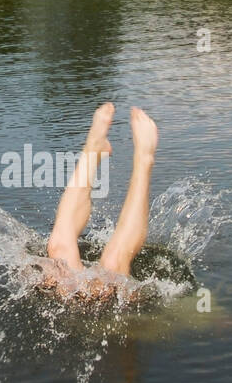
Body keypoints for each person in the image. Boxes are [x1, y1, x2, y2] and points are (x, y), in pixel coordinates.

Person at [40, 103, 158, 301]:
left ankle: (92, 150)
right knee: (114, 266)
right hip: (103, 316)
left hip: (76, 311)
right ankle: (143, 158)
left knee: (58, 248)